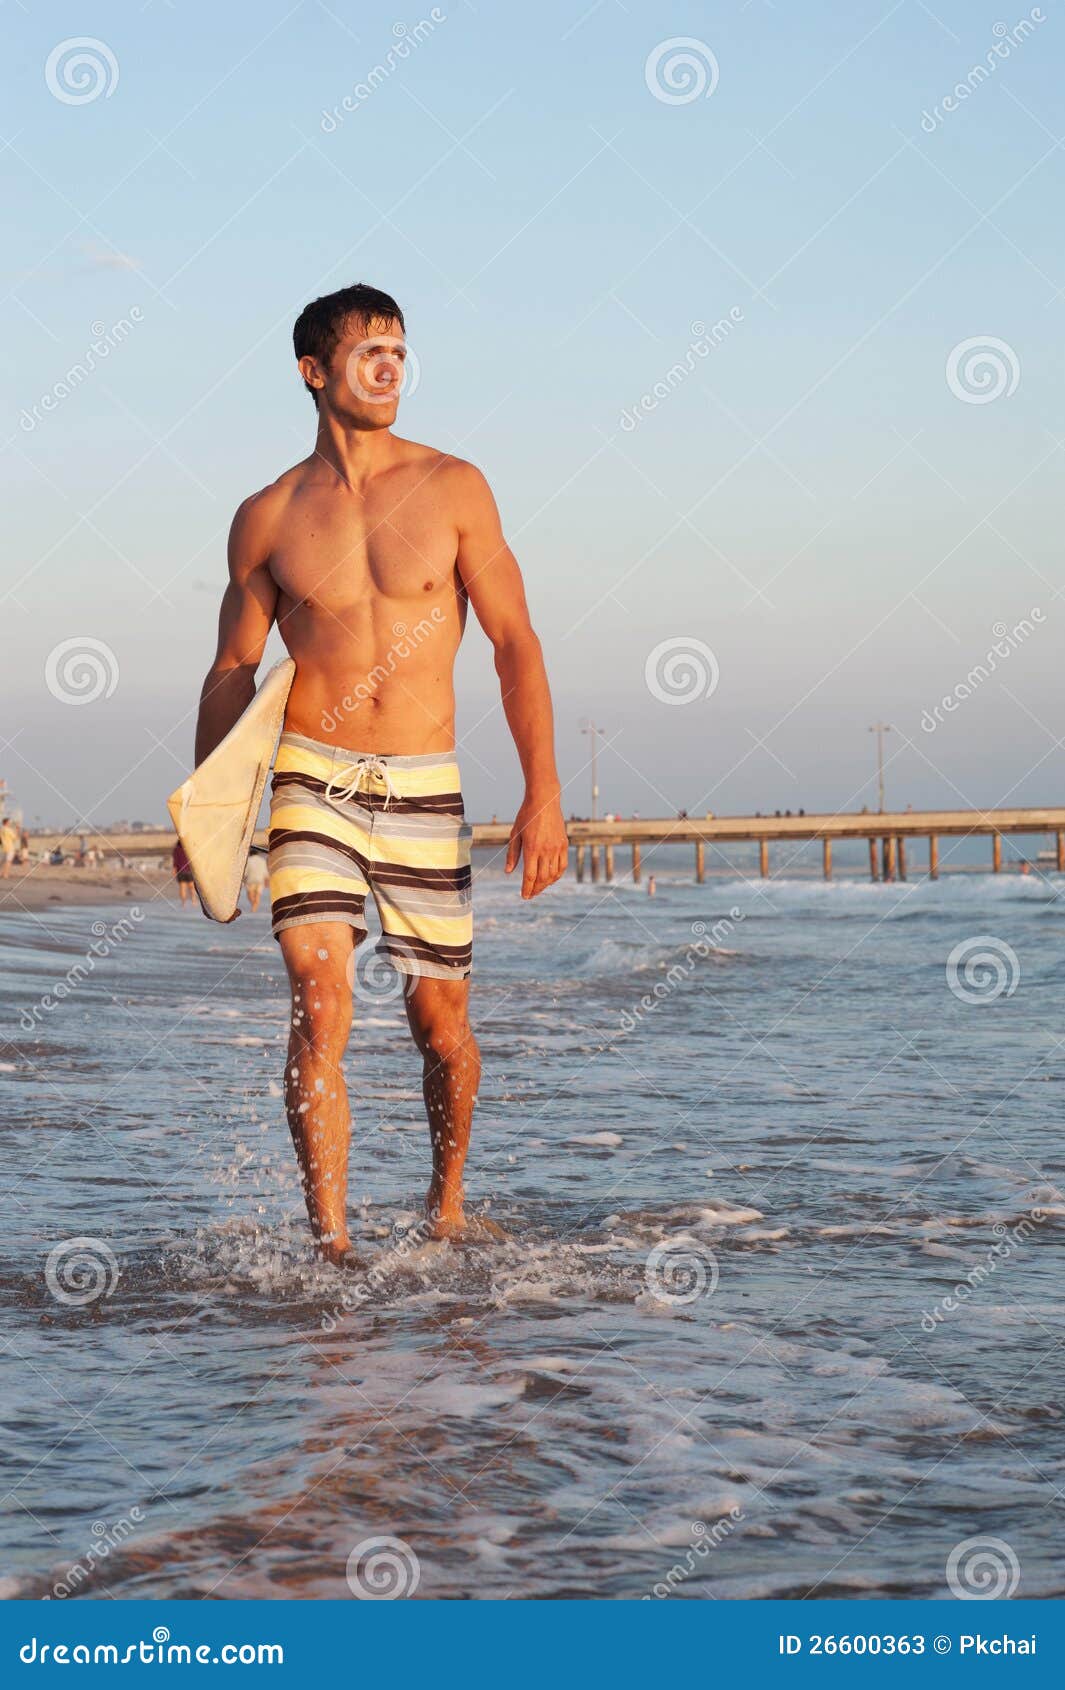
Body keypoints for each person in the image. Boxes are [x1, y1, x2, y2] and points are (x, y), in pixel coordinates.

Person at [193, 283, 568, 1265]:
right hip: (310, 775)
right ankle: (333, 1245)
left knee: (440, 1026)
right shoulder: (268, 516)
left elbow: (516, 642)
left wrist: (545, 791)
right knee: (320, 994)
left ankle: (444, 1209)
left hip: (422, 783)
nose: (390, 364)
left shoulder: (454, 487)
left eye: (400, 348)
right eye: (368, 349)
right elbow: (235, 669)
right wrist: (212, 815)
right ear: (315, 371)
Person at [172, 839, 195, 907]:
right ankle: (194, 901)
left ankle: (183, 903)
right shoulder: (189, 848)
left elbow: (175, 862)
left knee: (182, 888)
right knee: (192, 887)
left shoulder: (176, 849)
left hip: (181, 871)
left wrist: (174, 871)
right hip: (189, 870)